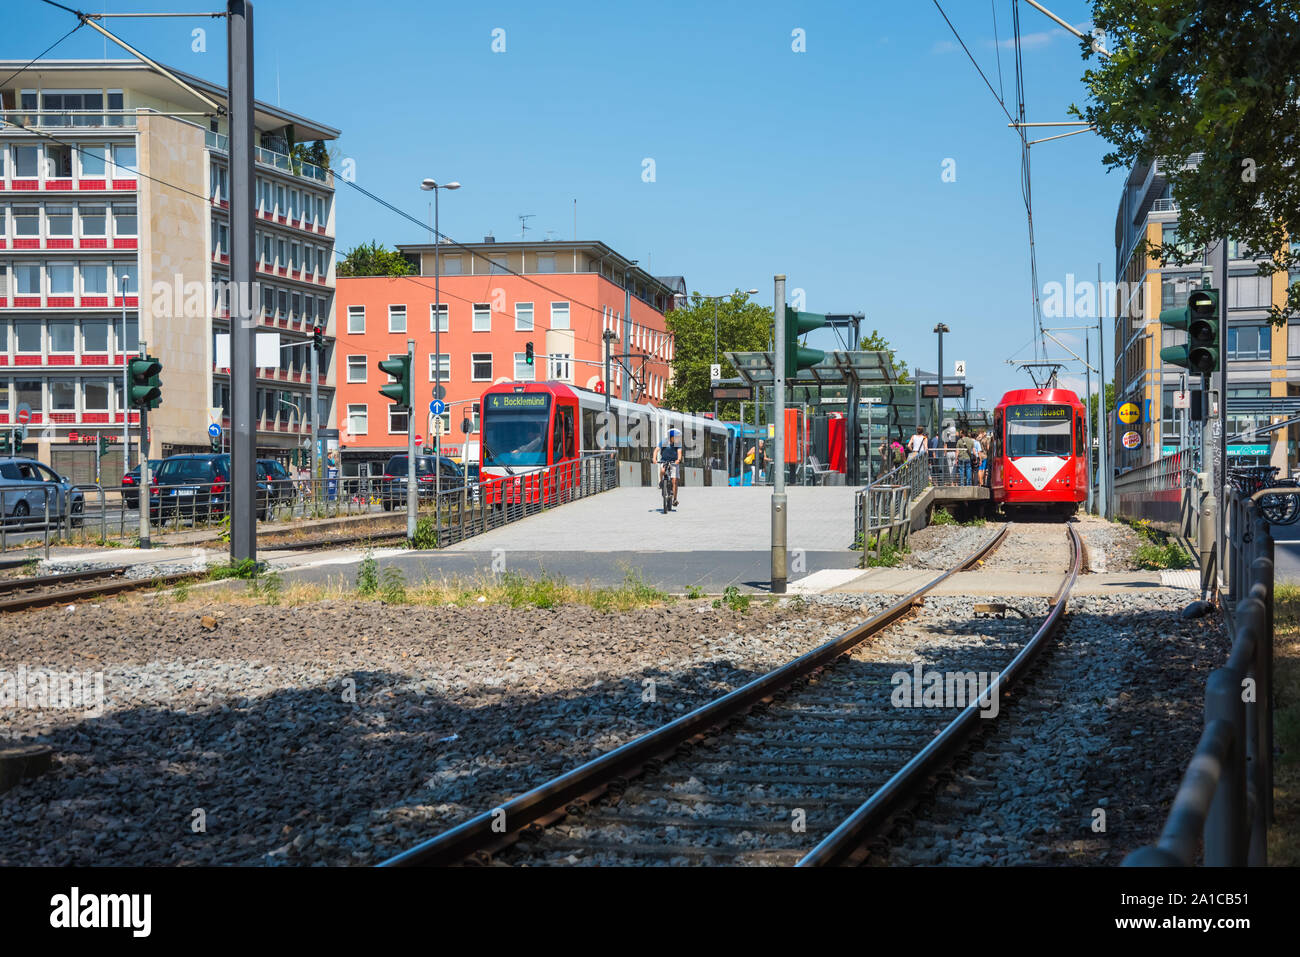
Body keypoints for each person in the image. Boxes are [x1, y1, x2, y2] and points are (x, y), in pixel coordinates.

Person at [658, 427, 682, 507]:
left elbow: (679, 452)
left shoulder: (677, 444)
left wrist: (678, 459)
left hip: (674, 462)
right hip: (664, 461)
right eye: (676, 437)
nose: (678, 438)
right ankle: (661, 482)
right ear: (671, 437)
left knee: (674, 480)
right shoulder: (665, 442)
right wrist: (654, 458)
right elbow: (656, 450)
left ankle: (675, 499)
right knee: (662, 471)